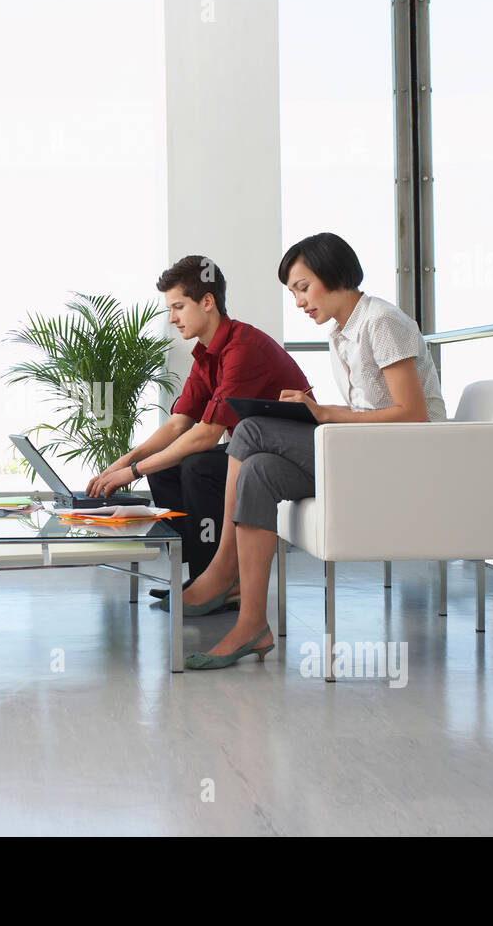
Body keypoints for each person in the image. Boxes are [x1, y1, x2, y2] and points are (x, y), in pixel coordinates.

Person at [181, 232, 446, 669]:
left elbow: (413, 415)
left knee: (248, 429)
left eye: (303, 288)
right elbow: (367, 409)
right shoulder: (343, 334)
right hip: (365, 453)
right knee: (259, 470)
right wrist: (315, 412)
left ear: (333, 273)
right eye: (293, 293)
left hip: (403, 460)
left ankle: (222, 569)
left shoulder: (381, 321)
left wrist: (322, 414)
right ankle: (252, 623)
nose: (300, 302)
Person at [86, 254, 309, 597]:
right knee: (164, 469)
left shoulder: (242, 347)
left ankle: (222, 583)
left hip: (285, 454)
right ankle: (201, 575)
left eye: (178, 306)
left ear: (207, 302)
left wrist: (132, 473)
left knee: (198, 466)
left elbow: (207, 433)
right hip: (248, 451)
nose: (172, 318)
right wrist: (117, 467)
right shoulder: (206, 354)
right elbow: (177, 426)